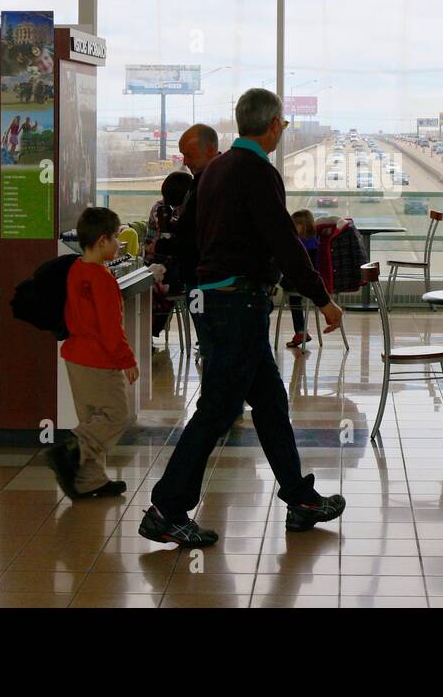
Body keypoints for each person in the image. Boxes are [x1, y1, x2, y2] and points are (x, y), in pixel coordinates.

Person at [139, 88, 347, 547]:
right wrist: (322, 298)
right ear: (271, 124)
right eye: (283, 125)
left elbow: (188, 241)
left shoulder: (213, 171)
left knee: (270, 404)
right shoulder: (258, 172)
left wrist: (200, 290)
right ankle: (166, 509)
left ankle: (300, 499)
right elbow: (285, 243)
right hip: (239, 304)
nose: (281, 132)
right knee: (218, 408)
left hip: (217, 301)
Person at [45, 206, 138, 499]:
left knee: (92, 417)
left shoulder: (76, 270)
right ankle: (71, 447)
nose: (119, 244)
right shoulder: (102, 279)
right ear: (102, 241)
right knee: (115, 415)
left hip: (75, 355)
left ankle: (90, 480)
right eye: (115, 238)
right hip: (100, 359)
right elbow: (110, 327)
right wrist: (127, 360)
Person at [175, 123, 221, 361]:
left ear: (211, 149)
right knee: (203, 335)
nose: (186, 161)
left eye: (190, 155)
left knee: (209, 338)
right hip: (193, 277)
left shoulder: (218, 182)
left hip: (205, 280)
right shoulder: (200, 180)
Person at [145, 170, 193, 338]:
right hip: (157, 264)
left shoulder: (185, 209)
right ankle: (152, 330)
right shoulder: (161, 209)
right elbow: (169, 239)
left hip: (173, 263)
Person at [283, 209, 321, 348]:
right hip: (309, 280)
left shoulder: (303, 243)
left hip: (302, 280)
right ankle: (300, 331)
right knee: (295, 299)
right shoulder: (314, 240)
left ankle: (300, 331)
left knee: (290, 294)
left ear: (303, 225)